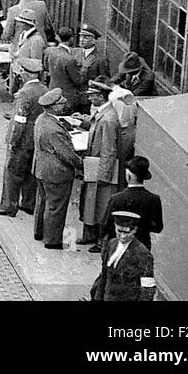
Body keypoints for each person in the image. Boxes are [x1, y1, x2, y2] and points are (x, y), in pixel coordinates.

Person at [0, 52, 44, 217]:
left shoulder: (24, 94)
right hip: (35, 138)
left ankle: (8, 205)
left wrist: (13, 141)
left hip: (21, 140)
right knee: (30, 172)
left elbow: (19, 121)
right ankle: (28, 203)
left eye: (21, 72)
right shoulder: (44, 89)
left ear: (26, 74)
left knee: (12, 172)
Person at [33, 87, 82, 250]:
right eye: (61, 102)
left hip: (41, 168)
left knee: (44, 202)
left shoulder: (42, 119)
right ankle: (52, 240)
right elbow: (66, 155)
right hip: (56, 173)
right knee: (56, 206)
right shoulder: (54, 129)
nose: (64, 104)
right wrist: (81, 164)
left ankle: (40, 232)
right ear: (53, 106)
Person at [77, 80, 121, 251]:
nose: (89, 99)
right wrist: (82, 122)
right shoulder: (103, 113)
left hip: (101, 169)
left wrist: (104, 175)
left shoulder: (109, 119)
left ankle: (101, 241)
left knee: (101, 206)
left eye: (92, 96)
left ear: (101, 96)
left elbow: (109, 149)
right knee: (90, 203)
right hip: (95, 166)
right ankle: (91, 235)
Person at [90, 212, 157, 301]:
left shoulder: (143, 254)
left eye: (127, 232)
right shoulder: (111, 244)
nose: (122, 236)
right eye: (119, 231)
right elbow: (104, 275)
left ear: (134, 230)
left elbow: (148, 289)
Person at [102, 156, 164, 250]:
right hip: (142, 246)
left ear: (128, 176)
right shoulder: (154, 199)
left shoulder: (116, 199)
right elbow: (158, 227)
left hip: (118, 247)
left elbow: (105, 226)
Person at [45, 27, 85, 109]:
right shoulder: (70, 59)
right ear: (71, 38)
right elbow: (78, 80)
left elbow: (46, 67)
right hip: (66, 97)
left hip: (52, 91)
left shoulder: (50, 52)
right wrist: (85, 68)